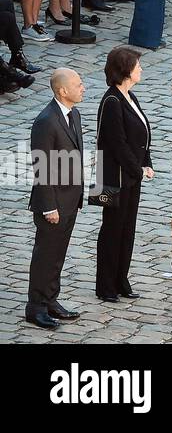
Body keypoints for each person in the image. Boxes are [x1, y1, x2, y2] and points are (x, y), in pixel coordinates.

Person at [25, 68, 86, 330]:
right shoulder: (46, 121)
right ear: (62, 90)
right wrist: (49, 206)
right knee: (45, 255)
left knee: (58, 254)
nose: (83, 87)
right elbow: (42, 168)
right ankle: (36, 306)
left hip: (70, 199)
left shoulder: (74, 114)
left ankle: (50, 299)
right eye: (78, 84)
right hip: (53, 203)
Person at [93, 46, 152, 303]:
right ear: (126, 70)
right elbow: (117, 143)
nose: (141, 69)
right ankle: (106, 284)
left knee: (127, 229)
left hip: (131, 176)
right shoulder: (112, 101)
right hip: (114, 177)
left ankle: (121, 279)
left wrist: (146, 163)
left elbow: (142, 135)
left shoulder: (129, 96)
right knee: (112, 230)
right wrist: (136, 168)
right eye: (137, 65)